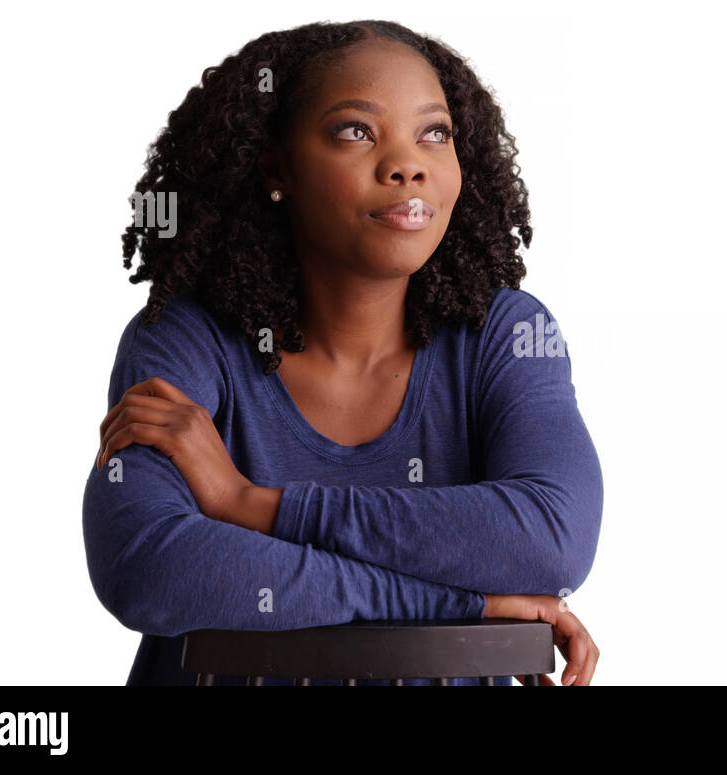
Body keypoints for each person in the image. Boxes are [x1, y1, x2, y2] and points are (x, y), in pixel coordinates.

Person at [82, 19, 603, 686]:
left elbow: (552, 535)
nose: (405, 164)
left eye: (433, 134)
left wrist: (249, 503)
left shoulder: (506, 337)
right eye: (356, 131)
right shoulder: (184, 340)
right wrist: (461, 602)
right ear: (278, 168)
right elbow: (148, 568)